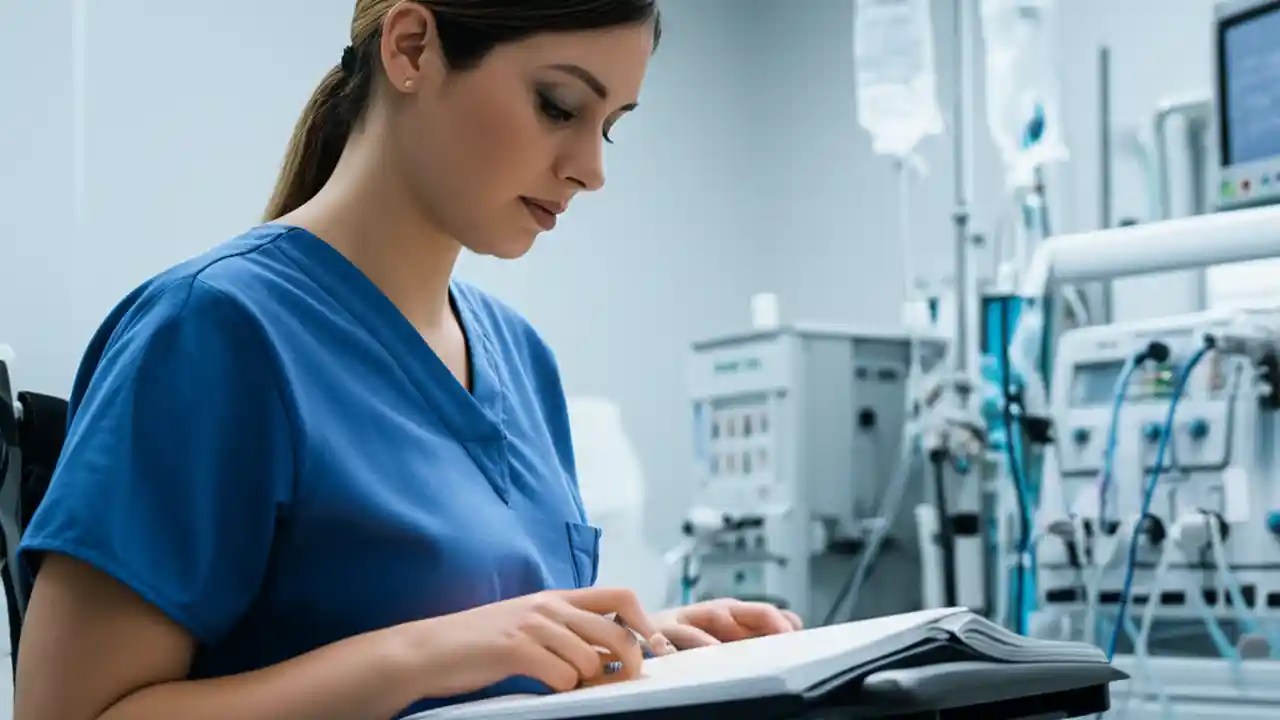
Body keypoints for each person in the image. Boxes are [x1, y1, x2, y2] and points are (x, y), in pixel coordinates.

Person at [13, 2, 802, 719]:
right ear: (412, 47)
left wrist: (626, 645)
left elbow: (489, 650)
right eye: (558, 106)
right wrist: (422, 655)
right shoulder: (212, 332)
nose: (592, 170)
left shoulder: (524, 362)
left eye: (610, 125)